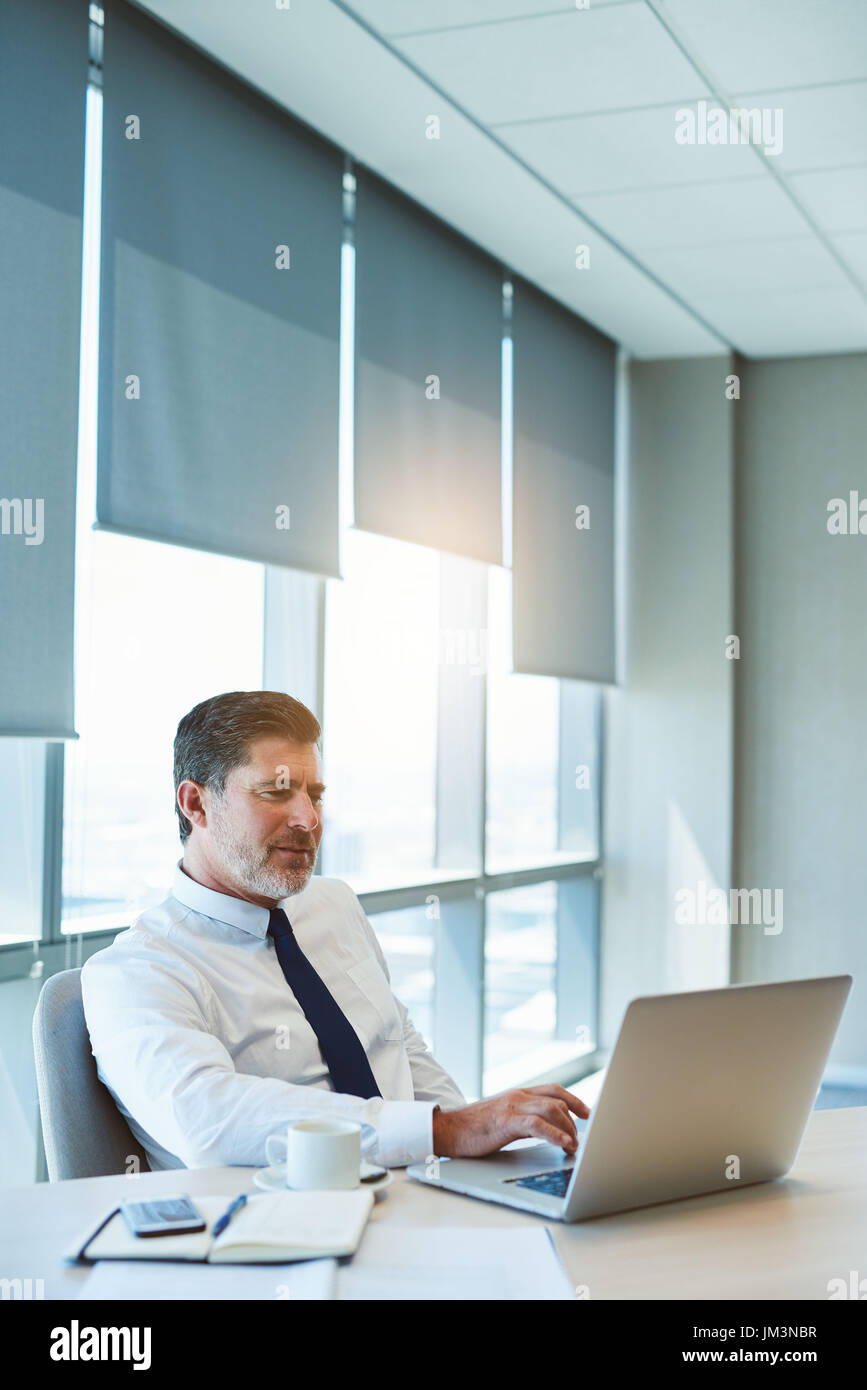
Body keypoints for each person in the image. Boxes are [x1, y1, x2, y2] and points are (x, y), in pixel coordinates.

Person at [82, 690, 588, 1171]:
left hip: (415, 1194)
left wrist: (476, 1152)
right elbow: (208, 1120)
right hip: (284, 1233)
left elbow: (400, 1046)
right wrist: (443, 1131)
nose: (308, 819)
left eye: (315, 794)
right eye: (277, 791)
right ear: (196, 804)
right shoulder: (136, 971)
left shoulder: (333, 904)